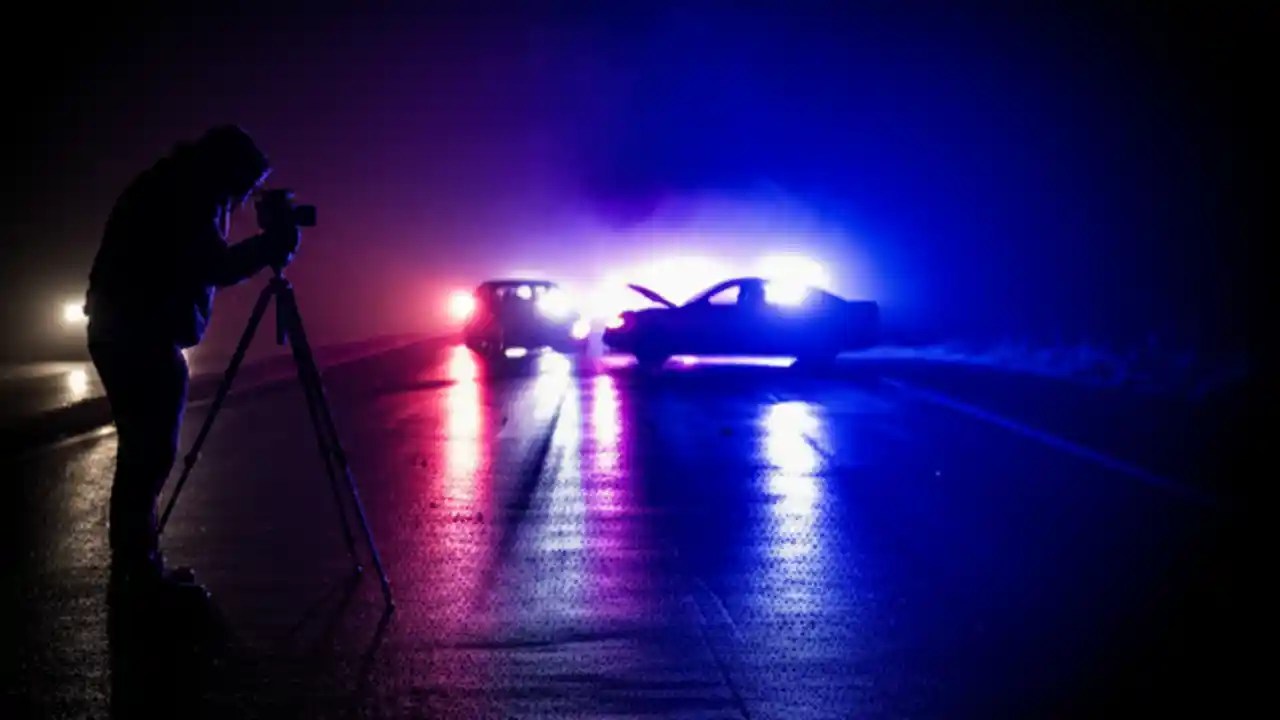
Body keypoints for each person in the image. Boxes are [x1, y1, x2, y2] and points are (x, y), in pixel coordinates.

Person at [84, 125, 299, 603]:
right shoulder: (189, 192)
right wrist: (270, 246)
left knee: (144, 453)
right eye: (247, 185)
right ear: (230, 169)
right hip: (138, 334)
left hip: (125, 329)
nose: (247, 198)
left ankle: (140, 566)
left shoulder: (175, 182)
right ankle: (138, 574)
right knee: (148, 454)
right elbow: (212, 266)